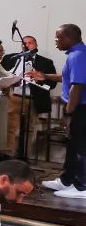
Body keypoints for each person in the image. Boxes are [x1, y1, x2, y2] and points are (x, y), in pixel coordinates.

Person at [34, 24, 86, 199]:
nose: (56, 41)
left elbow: (77, 87)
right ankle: (68, 180)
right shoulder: (76, 54)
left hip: (80, 108)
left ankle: (82, 187)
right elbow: (67, 77)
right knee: (72, 145)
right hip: (76, 107)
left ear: (69, 38)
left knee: (80, 147)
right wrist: (46, 76)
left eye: (58, 38)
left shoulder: (78, 56)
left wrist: (68, 114)